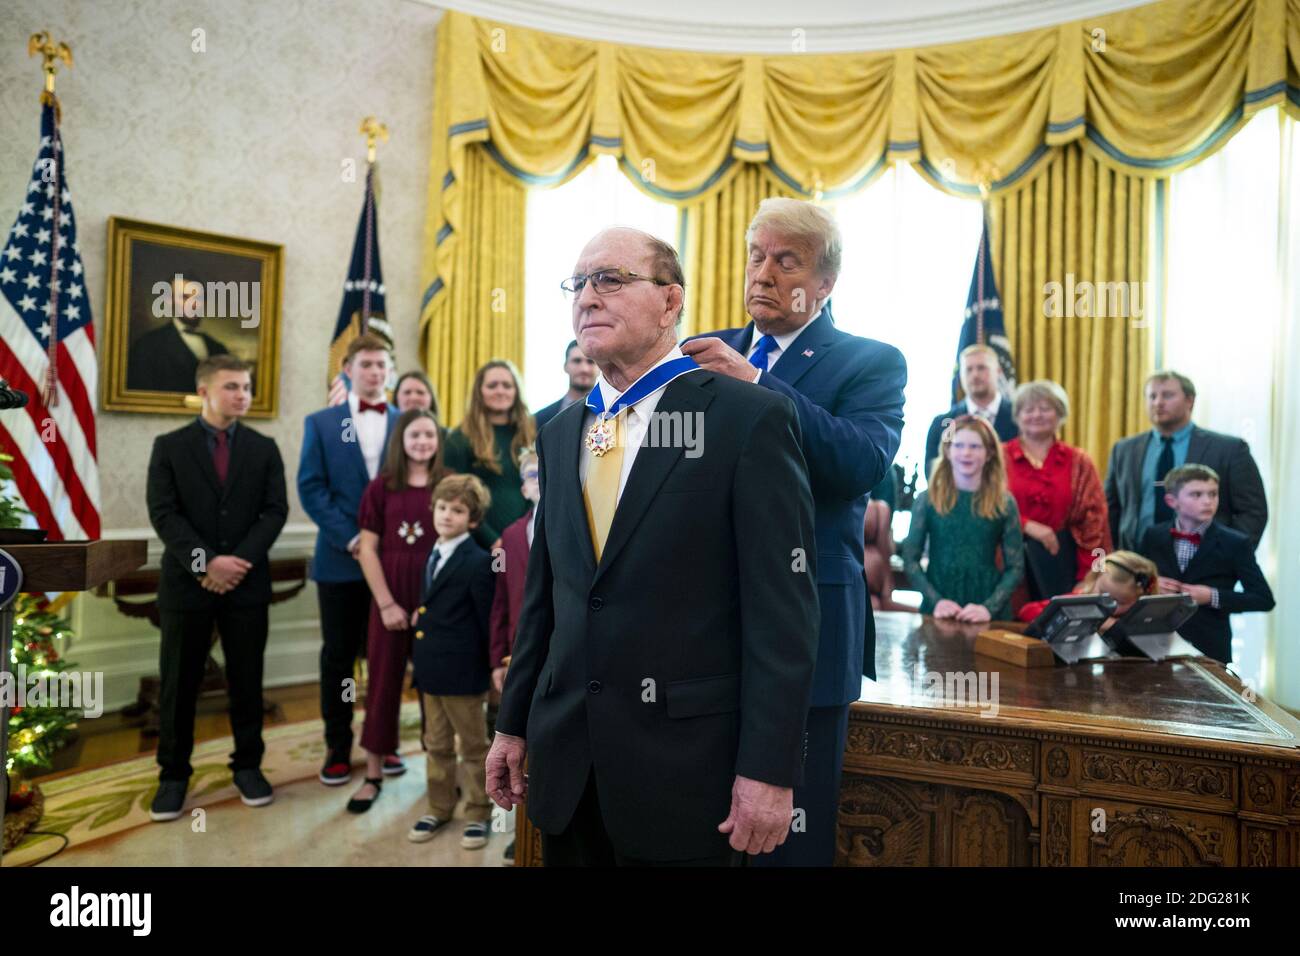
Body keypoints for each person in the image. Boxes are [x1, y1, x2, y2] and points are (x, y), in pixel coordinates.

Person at [486, 226, 819, 866]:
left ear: (671, 303)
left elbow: (785, 617)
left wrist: (769, 770)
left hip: (686, 772)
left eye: (609, 279)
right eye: (577, 284)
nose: (587, 297)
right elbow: (546, 602)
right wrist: (513, 722)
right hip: (569, 765)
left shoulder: (746, 418)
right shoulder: (558, 435)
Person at [681, 196, 905, 867]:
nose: (764, 272)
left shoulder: (870, 361)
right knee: (702, 831)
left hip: (811, 625)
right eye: (756, 256)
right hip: (702, 626)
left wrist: (754, 383)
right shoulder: (700, 354)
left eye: (787, 261)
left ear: (825, 283)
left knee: (788, 842)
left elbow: (859, 462)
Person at [145, 355, 287, 821]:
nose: (242, 395)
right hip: (188, 585)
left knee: (247, 682)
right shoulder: (169, 446)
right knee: (179, 686)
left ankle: (248, 767)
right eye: (232, 386)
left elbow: (274, 511)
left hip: (246, 585)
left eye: (246, 386)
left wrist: (235, 564)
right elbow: (165, 513)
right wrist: (207, 563)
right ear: (204, 391)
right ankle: (173, 776)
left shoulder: (264, 448)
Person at [298, 333, 399, 785]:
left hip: (394, 564)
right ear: (348, 371)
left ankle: (383, 742)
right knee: (338, 658)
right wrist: (354, 540)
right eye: (367, 365)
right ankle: (337, 747)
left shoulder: (407, 421)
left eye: (382, 365)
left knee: (387, 657)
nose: (375, 372)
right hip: (340, 562)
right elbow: (311, 488)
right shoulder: (321, 423)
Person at [346, 409, 450, 814]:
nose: (422, 442)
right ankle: (372, 774)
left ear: (438, 440)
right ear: (400, 441)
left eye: (429, 434)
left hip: (437, 604)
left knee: (436, 692)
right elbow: (368, 549)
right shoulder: (382, 488)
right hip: (389, 601)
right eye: (414, 435)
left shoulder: (448, 484)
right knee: (384, 685)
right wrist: (387, 603)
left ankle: (438, 775)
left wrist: (436, 609)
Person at [407, 474, 496, 850]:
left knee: (473, 746)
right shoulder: (431, 552)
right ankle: (439, 806)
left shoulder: (477, 562)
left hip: (463, 674)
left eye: (457, 511)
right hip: (430, 670)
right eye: (442, 508)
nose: (446, 515)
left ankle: (477, 812)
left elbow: (485, 621)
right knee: (436, 743)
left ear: (472, 520)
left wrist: (489, 671)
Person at [1106, 370, 1267, 551]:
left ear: (1189, 401)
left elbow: (1253, 512)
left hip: (1203, 565)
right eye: (1152, 396)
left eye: (1167, 395)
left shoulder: (1229, 449)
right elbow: (1110, 510)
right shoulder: (1124, 450)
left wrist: (1230, 559)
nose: (1158, 402)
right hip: (1135, 562)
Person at [1139, 464, 1274, 663]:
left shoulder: (1235, 542)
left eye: (1213, 494)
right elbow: (1135, 582)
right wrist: (1152, 585)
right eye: (1196, 494)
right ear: (1171, 501)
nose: (1208, 501)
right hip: (1155, 644)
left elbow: (1263, 599)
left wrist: (1213, 596)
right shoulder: (1153, 535)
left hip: (1210, 648)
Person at [902, 414, 1024, 622]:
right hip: (939, 606)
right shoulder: (928, 499)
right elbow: (910, 559)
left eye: (975, 447)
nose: (966, 453)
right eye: (958, 445)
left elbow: (1016, 567)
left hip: (987, 607)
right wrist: (936, 601)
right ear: (947, 451)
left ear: (989, 453)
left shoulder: (1004, 502)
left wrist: (988, 608)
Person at [1003, 380, 1111, 600]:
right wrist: (1026, 525)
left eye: (1045, 408)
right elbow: (985, 507)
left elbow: (1093, 523)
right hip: (1005, 567)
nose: (1037, 415)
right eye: (1029, 409)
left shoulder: (1079, 461)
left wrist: (1087, 578)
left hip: (1062, 568)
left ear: (1060, 414)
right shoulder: (997, 457)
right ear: (1017, 416)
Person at [486, 447, 538, 865]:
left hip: (559, 658)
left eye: (544, 473)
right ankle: (513, 824)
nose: (538, 480)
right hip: (516, 658)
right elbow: (501, 603)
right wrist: (497, 659)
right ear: (522, 485)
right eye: (531, 475)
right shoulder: (509, 536)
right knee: (512, 741)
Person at [443, 360, 536, 549]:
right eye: (492, 385)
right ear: (479, 392)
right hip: (478, 545)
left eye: (507, 385)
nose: (500, 391)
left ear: (516, 392)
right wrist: (493, 541)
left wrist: (524, 534)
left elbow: (538, 490)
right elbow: (457, 499)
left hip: (525, 540)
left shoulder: (531, 435)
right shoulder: (458, 440)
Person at [924, 344, 1018, 479]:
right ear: (961, 375)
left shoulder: (1020, 418)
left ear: (998, 371)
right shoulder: (946, 422)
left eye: (981, 368)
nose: (975, 375)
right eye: (968, 370)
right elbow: (933, 470)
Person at [127, 277, 231, 393]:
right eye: (185, 297)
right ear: (169, 300)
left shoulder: (218, 348)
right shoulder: (147, 345)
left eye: (198, 298)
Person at [1017, 550, 1159, 629]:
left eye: (1118, 602)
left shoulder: (1141, 619)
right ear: (1095, 579)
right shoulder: (1081, 599)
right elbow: (1027, 611)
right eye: (1102, 593)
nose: (1107, 604)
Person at [533, 339, 598, 429]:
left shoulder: (615, 415)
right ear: (565, 366)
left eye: (590, 362)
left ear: (600, 368)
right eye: (577, 361)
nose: (584, 369)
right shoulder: (538, 419)